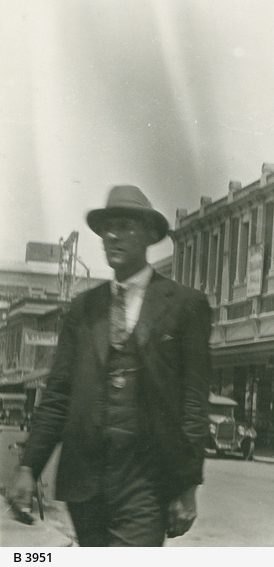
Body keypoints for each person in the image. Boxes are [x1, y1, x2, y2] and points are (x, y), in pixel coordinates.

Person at [8, 185, 211, 546]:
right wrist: (29, 466)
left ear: (149, 234)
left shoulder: (185, 305)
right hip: (85, 485)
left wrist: (188, 485)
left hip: (147, 482)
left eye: (125, 226)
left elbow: (193, 404)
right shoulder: (83, 308)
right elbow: (58, 396)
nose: (112, 236)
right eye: (107, 228)